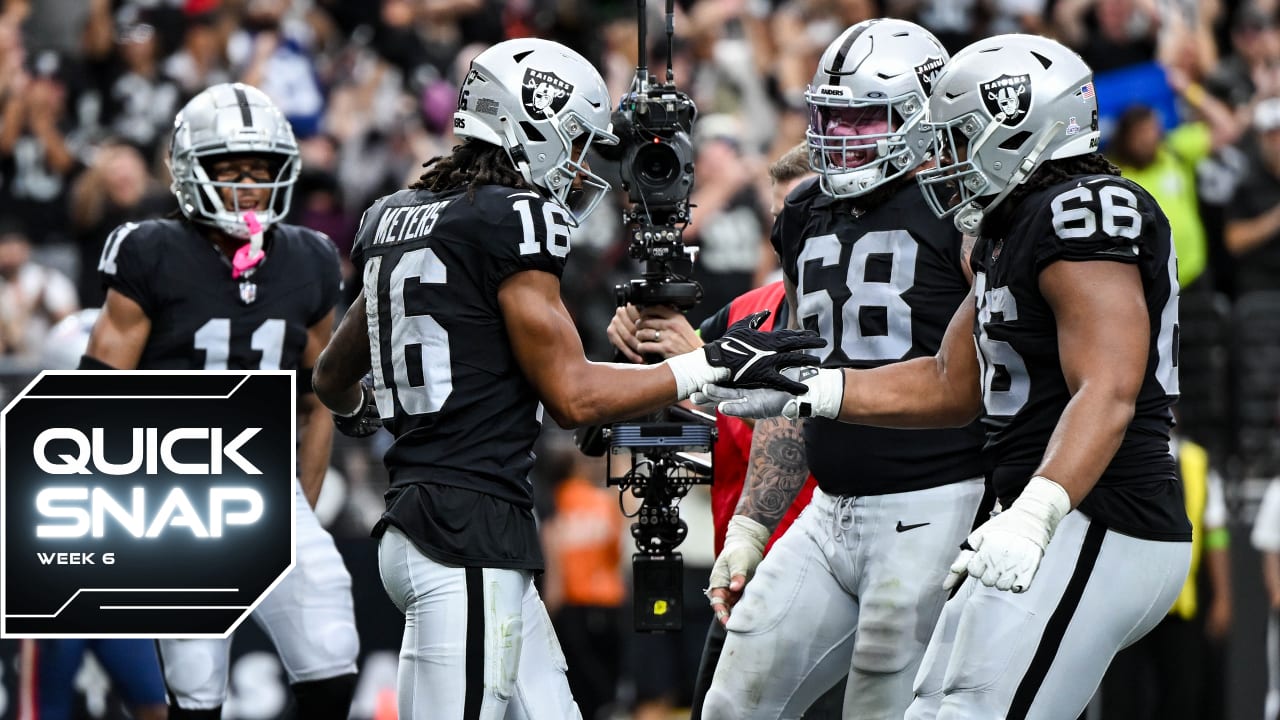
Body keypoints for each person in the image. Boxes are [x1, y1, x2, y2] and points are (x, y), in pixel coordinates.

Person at [308, 37, 822, 720]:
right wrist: (707, 363)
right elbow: (574, 398)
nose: (582, 163)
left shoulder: (395, 213)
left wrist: (364, 413)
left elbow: (334, 374)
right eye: (575, 138)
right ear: (532, 124)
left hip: (428, 523)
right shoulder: (511, 216)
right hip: (466, 537)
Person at [704, 33, 1192, 719]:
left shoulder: (1083, 209)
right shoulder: (1008, 224)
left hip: (1099, 511)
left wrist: (1035, 513)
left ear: (1018, 129)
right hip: (1032, 506)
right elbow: (946, 381)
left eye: (961, 138)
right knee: (935, 708)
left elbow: (1106, 390)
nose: (948, 160)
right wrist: (810, 388)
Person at [696, 19, 988, 720]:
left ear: (921, 116)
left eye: (863, 119)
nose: (841, 137)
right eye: (831, 118)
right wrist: (751, 527)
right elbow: (792, 381)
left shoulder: (968, 209)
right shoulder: (803, 211)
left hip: (932, 504)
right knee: (730, 705)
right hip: (827, 510)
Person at [81, 82, 360, 719]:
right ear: (188, 173)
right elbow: (94, 395)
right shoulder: (151, 249)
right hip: (175, 482)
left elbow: (321, 397)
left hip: (266, 482)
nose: (247, 187)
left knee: (331, 644)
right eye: (230, 170)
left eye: (260, 171)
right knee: (197, 680)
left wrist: (303, 507)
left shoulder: (311, 258)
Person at [606, 143, 840, 720]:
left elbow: (807, 427)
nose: (789, 229)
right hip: (735, 562)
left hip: (817, 566)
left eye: (803, 210)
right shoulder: (750, 308)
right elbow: (673, 392)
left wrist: (699, 363)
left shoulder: (851, 315)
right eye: (779, 214)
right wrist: (640, 344)